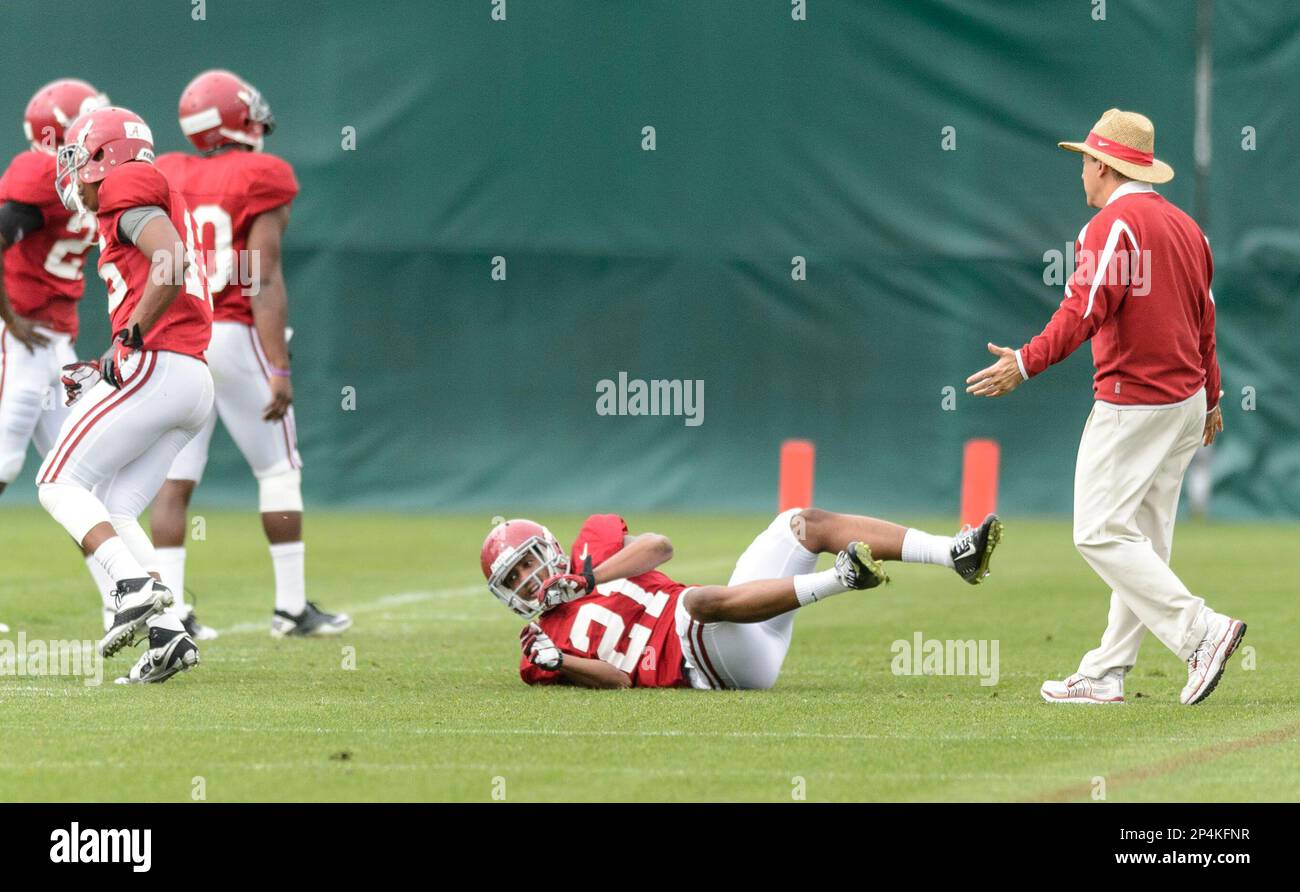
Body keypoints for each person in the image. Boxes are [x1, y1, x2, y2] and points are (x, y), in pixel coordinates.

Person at [965, 108, 1245, 706]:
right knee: (1141, 538)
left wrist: (1025, 362)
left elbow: (1084, 309)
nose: (1081, 174)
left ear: (1101, 164)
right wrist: (1214, 396)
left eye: (1084, 162)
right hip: (1187, 402)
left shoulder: (1112, 228)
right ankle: (1107, 671)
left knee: (1096, 531)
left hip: (1135, 403)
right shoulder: (1187, 229)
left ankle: (1202, 633)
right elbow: (1206, 321)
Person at [148, 70, 350, 639]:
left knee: (174, 480)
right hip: (234, 334)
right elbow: (262, 279)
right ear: (234, 119)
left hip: (180, 334)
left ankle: (171, 613)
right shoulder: (263, 174)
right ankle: (290, 609)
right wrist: (279, 368)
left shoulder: (167, 171)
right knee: (279, 470)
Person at [39, 105, 214, 683]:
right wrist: (112, 356)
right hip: (189, 378)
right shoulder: (142, 188)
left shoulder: (126, 182)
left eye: (77, 158)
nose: (72, 173)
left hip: (161, 363)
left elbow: (170, 261)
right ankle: (169, 634)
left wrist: (130, 339)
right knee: (114, 506)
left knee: (56, 483)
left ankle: (131, 587)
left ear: (103, 155)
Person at [481, 508, 1001, 690]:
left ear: (547, 547)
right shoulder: (542, 643)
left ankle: (953, 552)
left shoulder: (592, 551)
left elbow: (659, 547)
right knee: (698, 602)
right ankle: (843, 579)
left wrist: (589, 579)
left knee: (803, 523)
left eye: (528, 561)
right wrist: (563, 662)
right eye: (515, 577)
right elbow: (618, 680)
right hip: (713, 661)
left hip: (746, 615)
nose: (529, 578)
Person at [0, 79, 110, 631]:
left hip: (54, 342)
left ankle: (124, 599)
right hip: (19, 337)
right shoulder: (38, 175)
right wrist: (9, 319)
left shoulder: (86, 180)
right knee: (3, 463)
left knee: (79, 478)